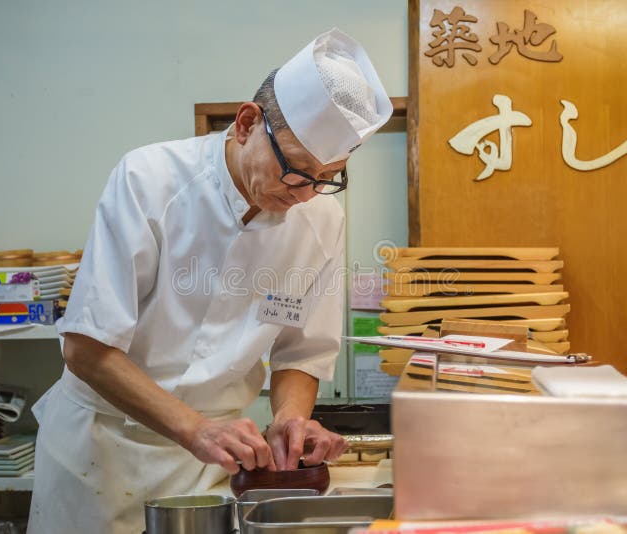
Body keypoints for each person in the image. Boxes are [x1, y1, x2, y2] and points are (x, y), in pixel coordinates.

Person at [28, 28, 392, 533]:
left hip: (212, 462)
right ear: (247, 124)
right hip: (100, 453)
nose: (305, 194)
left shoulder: (323, 220)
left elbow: (300, 352)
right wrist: (194, 429)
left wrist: (290, 420)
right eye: (296, 169)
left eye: (327, 177)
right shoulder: (149, 180)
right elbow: (86, 348)